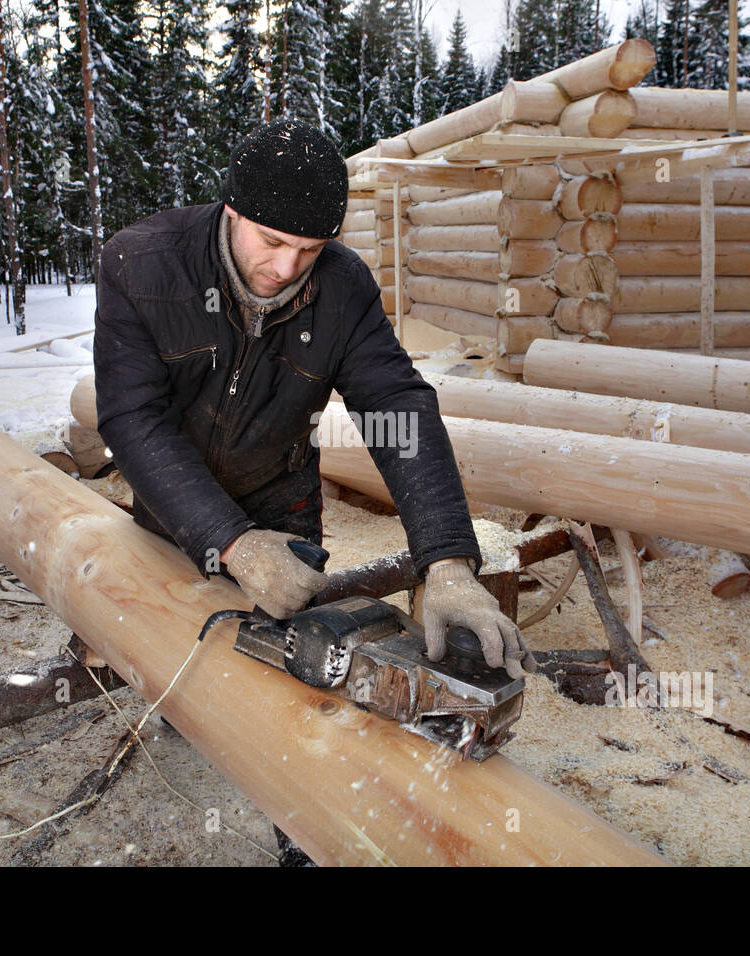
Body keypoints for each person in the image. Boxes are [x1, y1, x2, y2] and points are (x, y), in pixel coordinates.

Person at [92, 119, 536, 680]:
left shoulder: (342, 287)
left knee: (279, 673)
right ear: (231, 211)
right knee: (175, 654)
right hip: (175, 497)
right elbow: (134, 418)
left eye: (309, 249)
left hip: (283, 498)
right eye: (272, 241)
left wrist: (447, 562)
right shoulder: (145, 265)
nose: (286, 269)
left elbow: (395, 407)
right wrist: (229, 541)